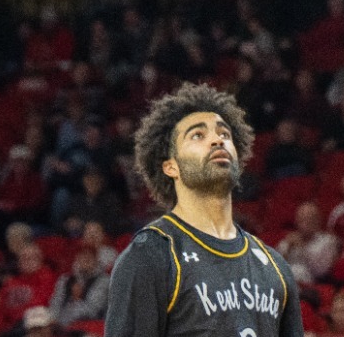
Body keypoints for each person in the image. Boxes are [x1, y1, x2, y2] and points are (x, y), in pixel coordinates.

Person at [104, 83, 303, 337]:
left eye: (225, 134)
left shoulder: (275, 266)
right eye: (197, 135)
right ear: (171, 167)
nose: (218, 140)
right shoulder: (152, 255)